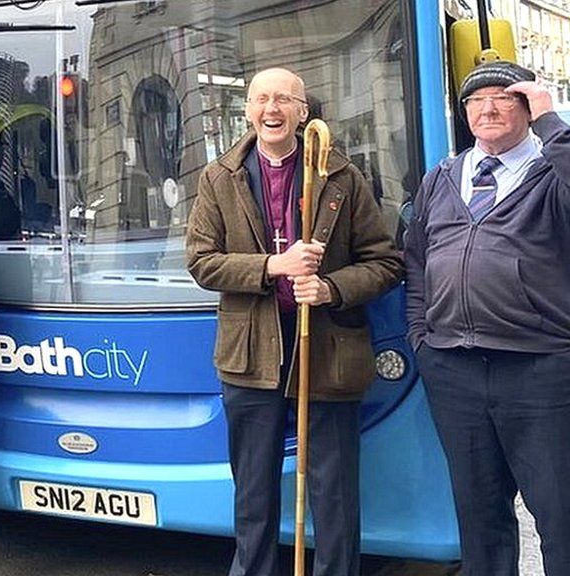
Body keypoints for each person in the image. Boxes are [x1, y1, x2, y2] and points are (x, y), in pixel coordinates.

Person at [185, 67, 403, 576]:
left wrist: (331, 288)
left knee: (334, 491)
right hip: (250, 352)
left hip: (328, 347)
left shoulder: (342, 176)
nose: (271, 109)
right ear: (247, 110)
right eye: (261, 99)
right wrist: (272, 266)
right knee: (253, 489)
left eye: (284, 99)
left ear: (303, 112)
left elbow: (386, 262)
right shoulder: (219, 177)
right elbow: (201, 262)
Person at [405, 61, 570, 576]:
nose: (489, 108)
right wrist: (422, 338)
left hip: (539, 367)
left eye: (504, 97)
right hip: (454, 370)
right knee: (479, 519)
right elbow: (416, 261)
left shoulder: (551, 171)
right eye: (476, 99)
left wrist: (552, 121)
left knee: (561, 513)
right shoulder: (442, 178)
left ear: (528, 107)